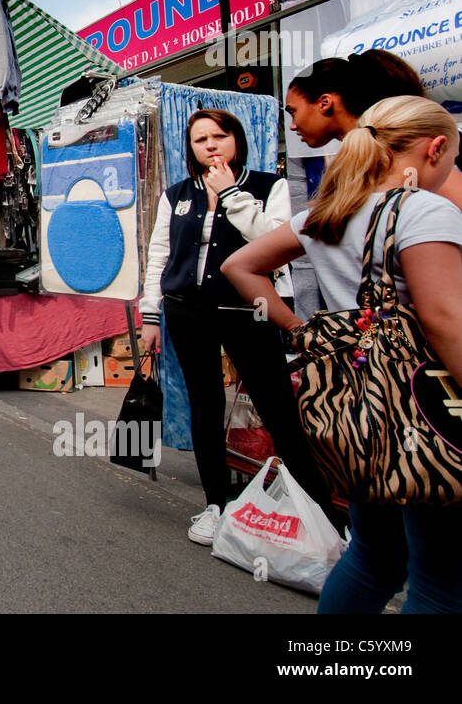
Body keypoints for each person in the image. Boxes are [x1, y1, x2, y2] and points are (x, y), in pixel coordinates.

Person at [223, 95, 462, 613]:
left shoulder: (329, 213)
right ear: (436, 149)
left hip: (354, 409)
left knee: (373, 558)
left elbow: (240, 266)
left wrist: (305, 332)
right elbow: (446, 322)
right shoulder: (425, 210)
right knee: (443, 581)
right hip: (427, 414)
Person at [139, 108, 336, 544]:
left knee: (278, 408)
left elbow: (276, 243)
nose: (210, 145)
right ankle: (216, 504)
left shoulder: (269, 186)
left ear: (236, 140)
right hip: (186, 310)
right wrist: (150, 315)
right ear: (189, 149)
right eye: (200, 140)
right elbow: (159, 256)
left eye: (219, 136)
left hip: (249, 311)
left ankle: (323, 517)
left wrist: (231, 196)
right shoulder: (177, 194)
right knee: (205, 406)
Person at [285, 48, 462, 209]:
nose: (292, 126)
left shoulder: (401, 149)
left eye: (293, 112)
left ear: (325, 103)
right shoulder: (359, 160)